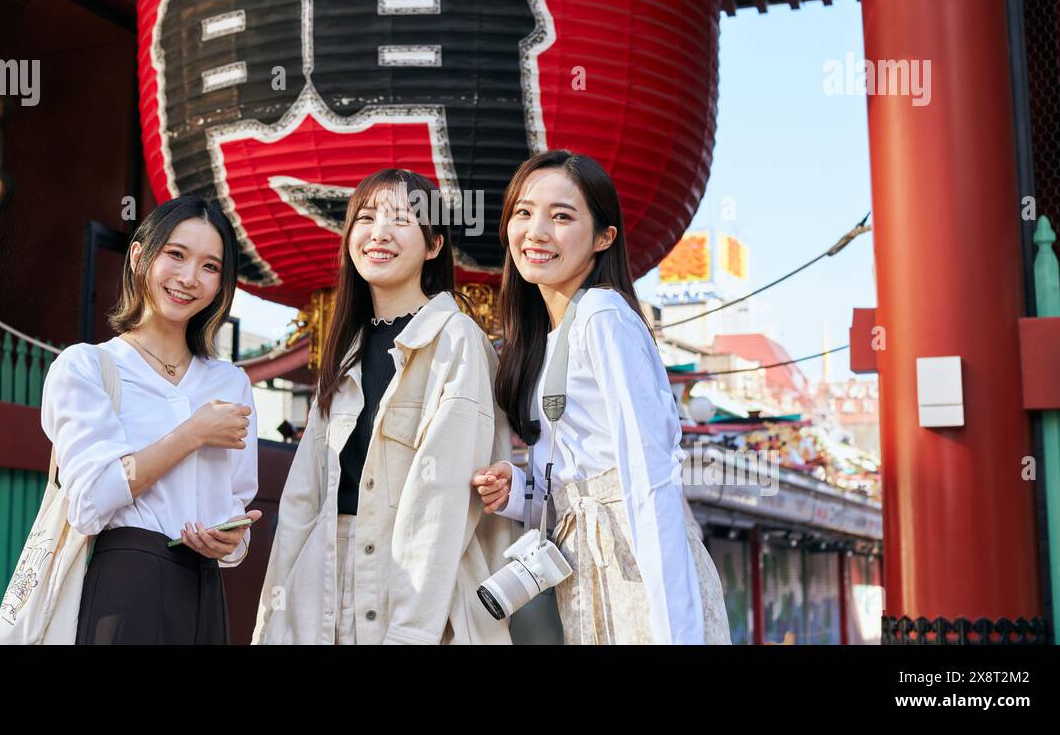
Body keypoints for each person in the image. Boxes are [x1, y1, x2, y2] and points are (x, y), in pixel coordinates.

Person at [472, 150, 730, 644]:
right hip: (585, 571)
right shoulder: (545, 337)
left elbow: (649, 478)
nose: (537, 232)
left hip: (636, 573)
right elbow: (579, 482)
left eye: (562, 216)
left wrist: (680, 633)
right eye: (523, 212)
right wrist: (520, 492)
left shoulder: (603, 316)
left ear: (604, 237)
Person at [253, 169, 513, 644]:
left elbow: (443, 506)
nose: (379, 234)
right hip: (325, 588)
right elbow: (301, 503)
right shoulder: (345, 350)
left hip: (413, 594)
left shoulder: (456, 341)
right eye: (366, 218)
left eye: (401, 219)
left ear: (434, 245)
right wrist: (273, 622)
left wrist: (408, 635)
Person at [41, 194, 260, 644]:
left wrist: (229, 541)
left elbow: (236, 502)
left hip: (204, 590)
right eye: (176, 255)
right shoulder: (87, 368)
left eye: (210, 266)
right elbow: (89, 502)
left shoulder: (231, 383)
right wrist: (193, 433)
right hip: (127, 587)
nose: (188, 278)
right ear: (140, 255)